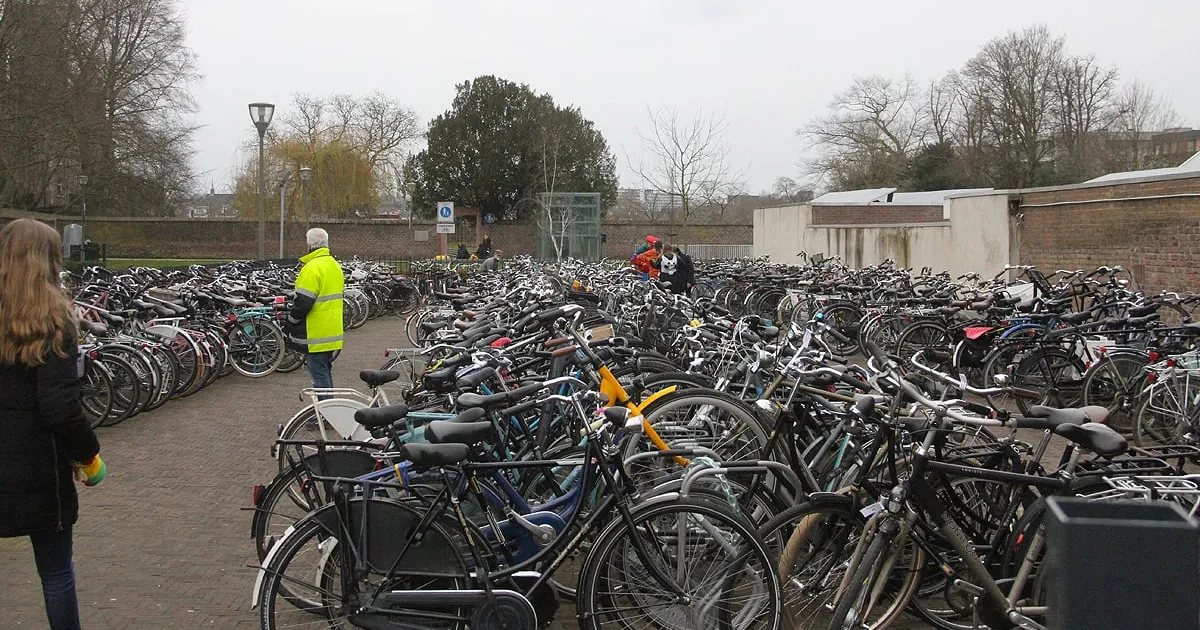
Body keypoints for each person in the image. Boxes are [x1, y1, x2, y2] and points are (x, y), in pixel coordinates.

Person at [0, 218, 105, 630]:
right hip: (38, 469)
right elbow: (60, 407)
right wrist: (88, 456)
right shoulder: (55, 321)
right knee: (56, 572)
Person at [286, 228, 345, 391]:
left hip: (315, 332)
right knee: (325, 372)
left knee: (319, 378)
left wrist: (291, 320)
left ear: (309, 245)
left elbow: (303, 302)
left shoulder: (312, 268)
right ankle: (329, 410)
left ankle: (325, 413)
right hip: (332, 330)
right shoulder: (334, 265)